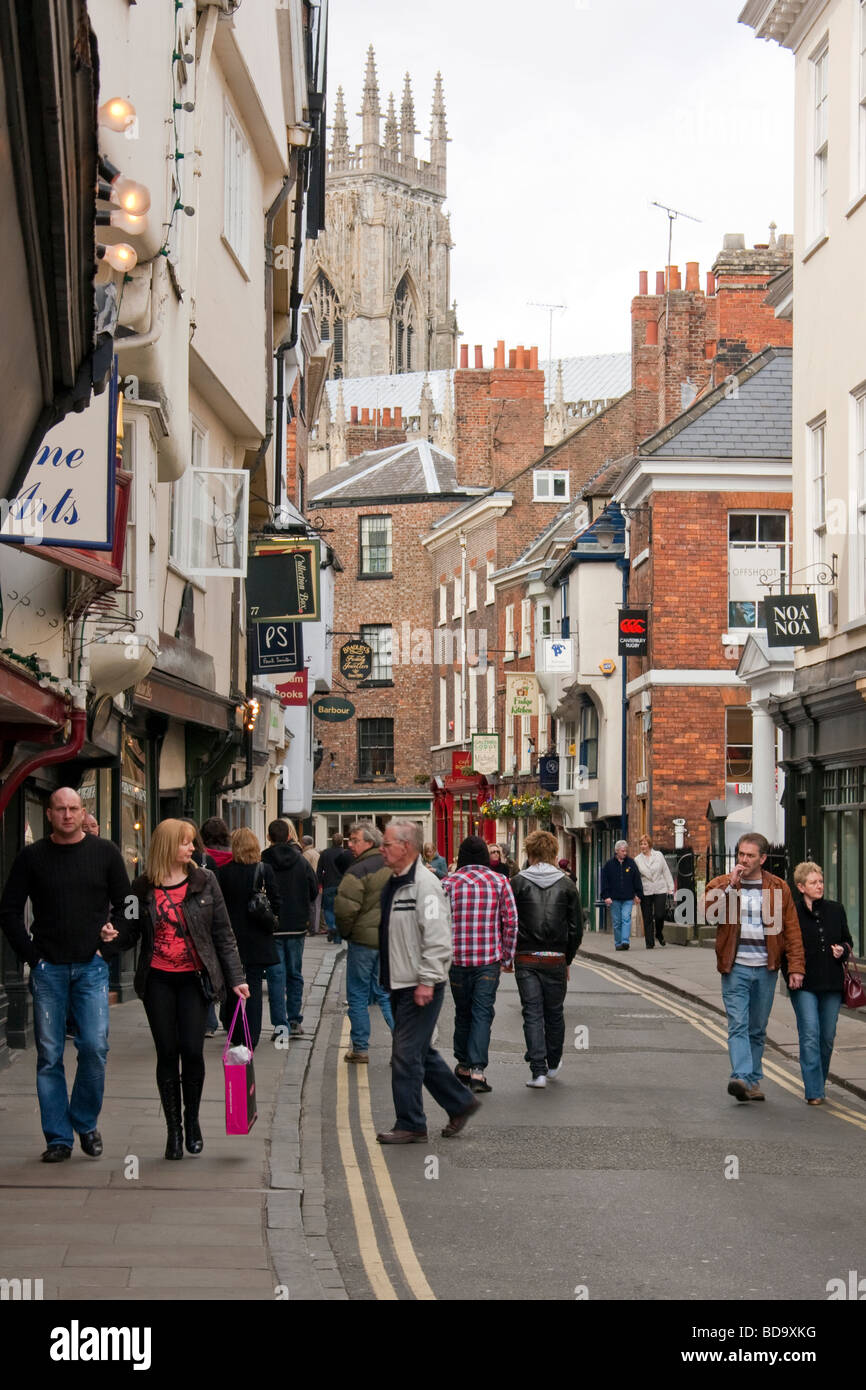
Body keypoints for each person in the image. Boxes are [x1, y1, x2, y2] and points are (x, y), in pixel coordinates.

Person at [0, 787, 130, 1162]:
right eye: (60, 809)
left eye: (74, 808)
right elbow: (8, 911)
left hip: (91, 967)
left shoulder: (105, 853)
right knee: (50, 1055)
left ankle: (85, 1122)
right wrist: (31, 956)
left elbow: (131, 905)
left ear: (83, 811)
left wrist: (112, 940)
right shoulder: (32, 857)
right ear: (50, 814)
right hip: (48, 970)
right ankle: (59, 1137)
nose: (68, 815)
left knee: (94, 1047)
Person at [120, 820, 248, 1158]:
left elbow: (223, 933)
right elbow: (130, 932)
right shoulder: (141, 887)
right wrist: (109, 936)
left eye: (192, 842)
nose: (192, 848)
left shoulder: (205, 882)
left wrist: (237, 978)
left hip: (195, 979)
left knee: (192, 1051)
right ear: (167, 846)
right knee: (167, 1053)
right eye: (185, 843)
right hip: (158, 980)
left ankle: (192, 1122)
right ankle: (173, 1132)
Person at [375, 820, 480, 1144]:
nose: (382, 848)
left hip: (418, 984)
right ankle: (460, 1102)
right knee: (420, 1052)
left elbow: (438, 939)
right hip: (400, 981)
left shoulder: (426, 885)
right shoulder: (395, 882)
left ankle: (411, 1123)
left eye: (388, 843)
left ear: (406, 847)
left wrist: (428, 980)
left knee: (405, 1054)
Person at [705, 832, 805, 1103]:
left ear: (762, 858)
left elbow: (792, 931)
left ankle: (752, 1080)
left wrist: (796, 967)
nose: (744, 859)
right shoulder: (722, 883)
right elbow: (708, 914)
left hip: (765, 968)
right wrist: (731, 887)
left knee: (757, 1028)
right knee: (738, 1024)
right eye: (740, 854)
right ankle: (740, 1076)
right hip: (734, 967)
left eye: (750, 855)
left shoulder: (778, 887)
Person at [444, 835, 517, 1093]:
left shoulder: (448, 883)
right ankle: (477, 1071)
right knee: (482, 1012)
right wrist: (507, 957)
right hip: (488, 960)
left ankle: (463, 1064)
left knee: (463, 1011)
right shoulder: (499, 881)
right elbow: (511, 922)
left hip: (456, 960)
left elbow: (438, 922)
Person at [510, 830, 583, 1088]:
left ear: (530, 853)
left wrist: (509, 952)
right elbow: (576, 929)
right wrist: (568, 959)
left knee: (532, 1013)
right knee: (554, 1013)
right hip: (555, 958)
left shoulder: (517, 883)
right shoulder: (567, 885)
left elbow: (510, 921)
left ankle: (537, 1072)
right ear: (554, 854)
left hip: (526, 957)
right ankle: (553, 1064)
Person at [787, 861, 853, 1105]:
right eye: (814, 882)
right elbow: (786, 948)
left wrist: (842, 951)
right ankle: (814, 1090)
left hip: (832, 985)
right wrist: (791, 973)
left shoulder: (836, 909)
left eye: (821, 881)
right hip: (804, 985)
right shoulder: (791, 912)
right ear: (801, 886)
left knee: (827, 1037)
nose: (819, 886)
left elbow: (848, 941)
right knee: (810, 1034)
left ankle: (818, 1081)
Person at [216, 827, 281, 1049]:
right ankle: (251, 1035)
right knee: (252, 984)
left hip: (231, 937)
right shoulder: (265, 870)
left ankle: (235, 1033)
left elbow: (218, 906)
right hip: (258, 937)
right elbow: (276, 901)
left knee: (234, 983)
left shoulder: (223, 873)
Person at [334, 823, 394, 1062]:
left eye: (354, 840)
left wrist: (347, 933)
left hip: (363, 942)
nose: (350, 844)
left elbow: (344, 909)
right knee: (386, 993)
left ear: (369, 842)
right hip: (389, 940)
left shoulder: (358, 870)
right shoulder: (394, 865)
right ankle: (403, 1044)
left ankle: (360, 1048)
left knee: (358, 993)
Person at [262, 820, 317, 1040]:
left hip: (272, 926)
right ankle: (294, 1020)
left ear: (269, 837)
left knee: (276, 977)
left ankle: (280, 1026)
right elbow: (313, 891)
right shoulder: (301, 861)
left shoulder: (263, 861)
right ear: (288, 837)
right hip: (296, 925)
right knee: (295, 974)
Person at [600, 839, 643, 951]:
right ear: (617, 851)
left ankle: (625, 941)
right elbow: (604, 882)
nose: (625, 853)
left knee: (626, 918)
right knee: (617, 922)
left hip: (628, 898)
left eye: (626, 851)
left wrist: (638, 894)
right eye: (623, 851)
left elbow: (636, 879)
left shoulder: (631, 863)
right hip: (614, 899)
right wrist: (606, 896)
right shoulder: (609, 865)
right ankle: (618, 943)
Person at [634, 835, 675, 949]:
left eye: (645, 844)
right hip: (646, 890)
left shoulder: (659, 855)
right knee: (647, 917)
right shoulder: (637, 859)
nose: (643, 846)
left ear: (649, 845)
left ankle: (659, 933)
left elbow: (665, 871)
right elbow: (636, 878)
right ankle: (649, 942)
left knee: (659, 915)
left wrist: (670, 886)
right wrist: (636, 893)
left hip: (660, 888)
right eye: (641, 844)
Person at [317, 831, 353, 943]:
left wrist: (319, 884)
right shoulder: (346, 853)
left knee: (328, 909)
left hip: (328, 884)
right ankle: (337, 937)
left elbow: (319, 870)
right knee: (341, 911)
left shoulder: (325, 853)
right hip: (343, 885)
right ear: (342, 841)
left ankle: (332, 927)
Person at [300, 835, 322, 935]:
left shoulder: (306, 854)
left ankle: (311, 928)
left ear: (303, 843)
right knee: (316, 907)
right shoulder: (316, 853)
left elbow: (303, 870)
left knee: (310, 907)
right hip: (317, 881)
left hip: (309, 882)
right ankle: (315, 928)